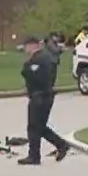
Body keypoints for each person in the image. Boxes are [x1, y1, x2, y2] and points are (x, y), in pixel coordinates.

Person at [19, 35, 70, 165]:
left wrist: (27, 68)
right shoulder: (45, 57)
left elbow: (30, 73)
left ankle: (35, 156)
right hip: (44, 95)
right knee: (39, 127)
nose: (25, 49)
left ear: (32, 45)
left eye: (26, 46)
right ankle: (61, 145)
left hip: (40, 96)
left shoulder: (39, 59)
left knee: (33, 127)